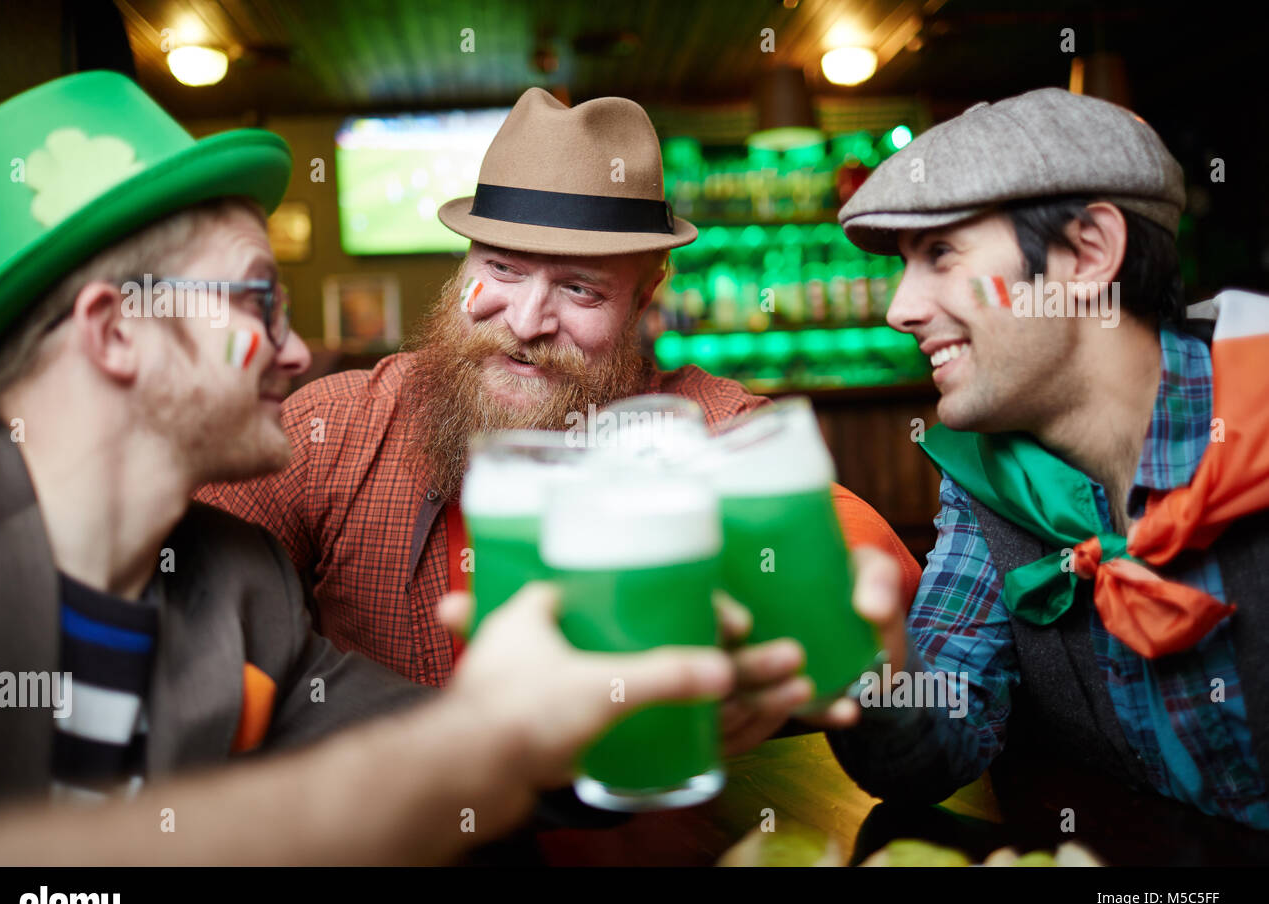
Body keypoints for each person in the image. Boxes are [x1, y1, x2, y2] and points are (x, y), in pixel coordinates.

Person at [0, 70, 785, 863]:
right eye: (260, 302)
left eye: (579, 288)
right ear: (117, 333)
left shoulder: (250, 597)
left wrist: (567, 728)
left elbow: (430, 757)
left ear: (643, 303)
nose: (294, 354)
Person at [196, 88, 924, 751]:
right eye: (503, 269)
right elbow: (187, 568)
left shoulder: (689, 420)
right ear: (463, 266)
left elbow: (844, 546)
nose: (526, 320)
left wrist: (850, 591)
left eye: (579, 288)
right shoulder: (342, 424)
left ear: (646, 301)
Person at [824, 87, 1269, 844]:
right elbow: (935, 749)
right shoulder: (985, 486)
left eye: (940, 254)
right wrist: (870, 666)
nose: (899, 309)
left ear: (1087, 254)